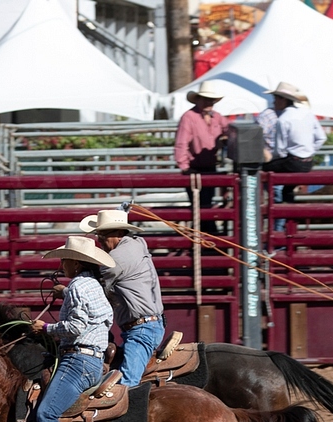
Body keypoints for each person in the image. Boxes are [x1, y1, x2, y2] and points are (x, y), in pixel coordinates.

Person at [18, 235, 115, 422]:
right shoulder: (92, 285)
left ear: (75, 262)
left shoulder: (77, 287)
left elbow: (75, 328)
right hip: (92, 361)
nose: (61, 264)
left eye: (64, 259)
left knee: (46, 413)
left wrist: (45, 328)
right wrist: (65, 294)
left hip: (78, 361)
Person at [80, 208, 165, 388]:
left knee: (127, 385)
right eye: (98, 235)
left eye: (104, 234)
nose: (100, 240)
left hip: (142, 329)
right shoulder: (136, 244)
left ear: (119, 233)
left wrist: (66, 292)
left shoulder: (116, 259)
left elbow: (92, 290)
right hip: (145, 325)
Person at [262, 81, 326, 231]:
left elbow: (280, 151)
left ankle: (278, 221)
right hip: (307, 162)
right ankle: (288, 221)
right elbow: (321, 138)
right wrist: (308, 151)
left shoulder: (283, 120)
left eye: (276, 98)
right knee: (287, 192)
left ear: (283, 100)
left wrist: (269, 159)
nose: (274, 102)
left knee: (263, 168)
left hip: (292, 162)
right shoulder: (307, 114)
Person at [174, 80, 230, 235]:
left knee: (205, 205)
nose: (209, 102)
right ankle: (212, 238)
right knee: (201, 206)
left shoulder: (217, 117)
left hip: (209, 167)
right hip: (195, 168)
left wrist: (227, 139)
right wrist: (185, 167)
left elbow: (230, 131)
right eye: (205, 99)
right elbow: (181, 143)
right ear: (198, 99)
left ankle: (207, 240)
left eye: (211, 100)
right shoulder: (189, 117)